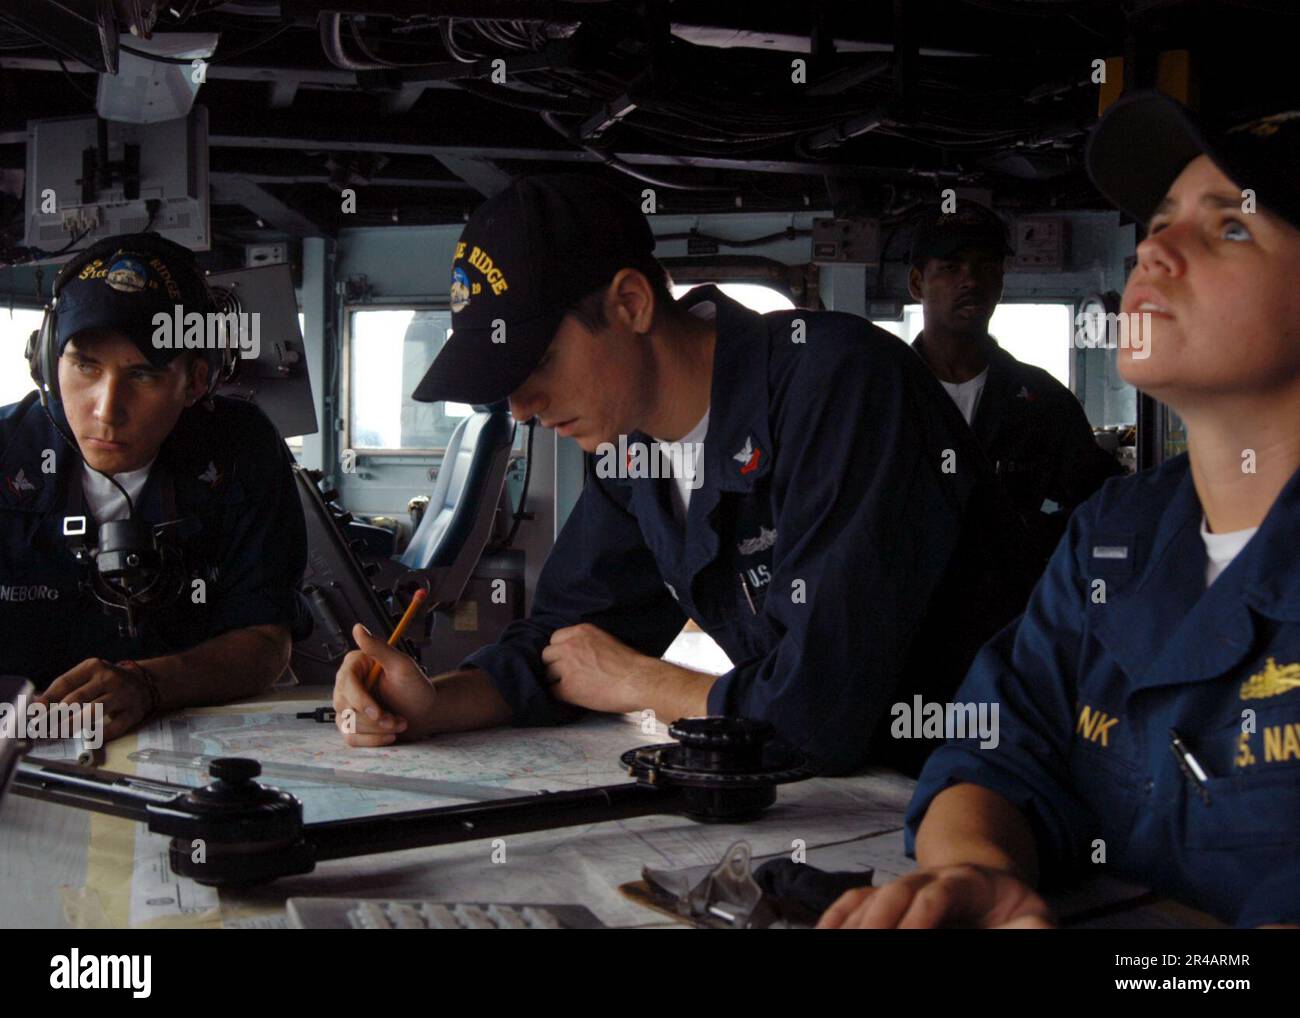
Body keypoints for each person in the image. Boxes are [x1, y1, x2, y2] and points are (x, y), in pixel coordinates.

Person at [331, 172, 1037, 776]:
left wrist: (645, 682)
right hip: (854, 798)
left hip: (989, 791)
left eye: (537, 362)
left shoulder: (841, 384)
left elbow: (824, 709)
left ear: (632, 303)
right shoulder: (631, 448)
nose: (519, 407)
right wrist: (434, 701)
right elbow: (566, 642)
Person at [818, 92, 1300, 928]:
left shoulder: (1043, 412)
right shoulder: (1114, 538)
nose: (1154, 247)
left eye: (1229, 227)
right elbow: (993, 755)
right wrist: (971, 873)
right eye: (1159, 218)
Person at [1, 232, 311, 741]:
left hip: (177, 741)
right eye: (84, 365)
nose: (105, 409)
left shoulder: (241, 450)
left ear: (195, 380)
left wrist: (150, 684)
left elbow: (264, 640)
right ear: (46, 361)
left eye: (141, 374)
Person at [907, 202, 1123, 568]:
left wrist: (1030, 540)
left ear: (1001, 282)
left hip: (1011, 613)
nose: (971, 280)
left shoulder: (1043, 401)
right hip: (902, 611)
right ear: (917, 283)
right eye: (951, 267)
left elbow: (1102, 504)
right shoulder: (882, 394)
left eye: (987, 266)